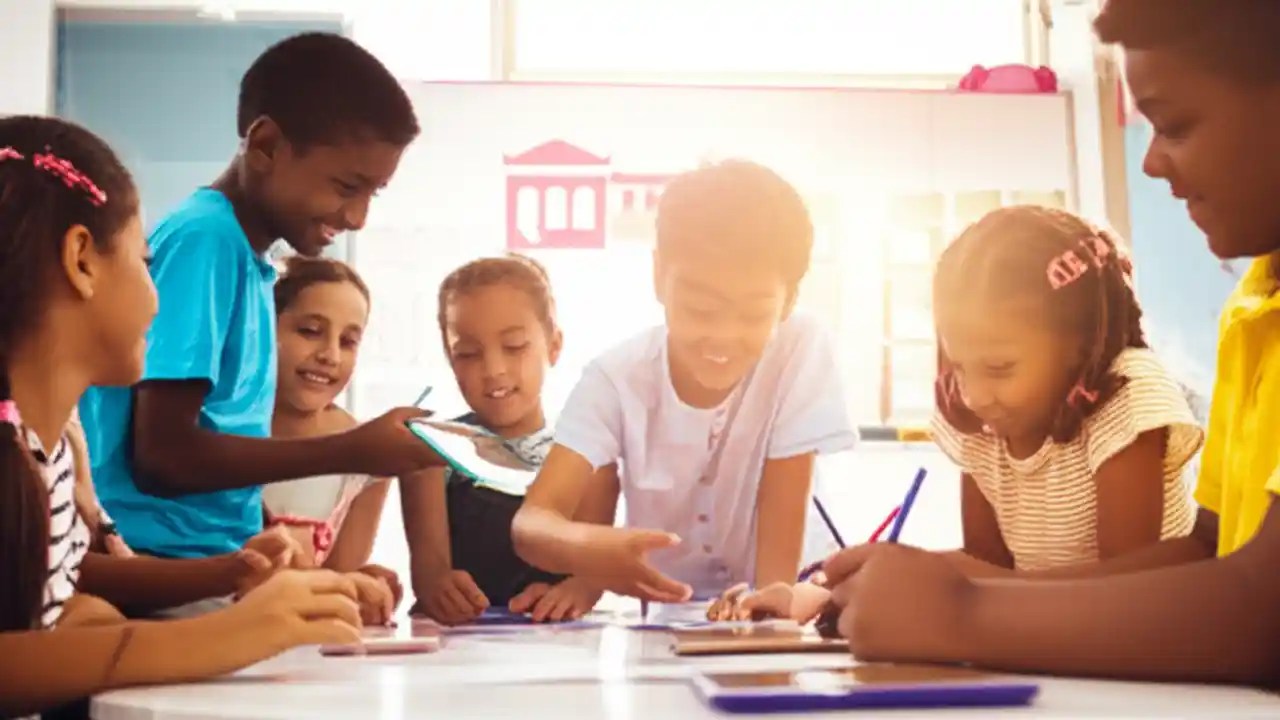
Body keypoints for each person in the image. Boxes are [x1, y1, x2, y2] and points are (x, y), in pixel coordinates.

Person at [823, 0, 1280, 686]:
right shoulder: (1255, 304)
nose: (1152, 162)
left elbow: (1260, 610)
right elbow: (1212, 550)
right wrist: (957, 582)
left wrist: (963, 610)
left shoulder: (1136, 399)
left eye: (1177, 125)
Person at [0, 114, 361, 720]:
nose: (157, 291)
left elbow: (55, 607)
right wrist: (225, 635)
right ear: (82, 260)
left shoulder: (54, 451)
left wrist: (92, 618)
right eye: (143, 260)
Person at [77, 33, 441, 616]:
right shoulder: (206, 240)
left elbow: (215, 436)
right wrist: (349, 450)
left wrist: (265, 531)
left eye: (373, 193)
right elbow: (163, 456)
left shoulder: (252, 261)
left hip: (212, 564)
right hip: (160, 574)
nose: (357, 218)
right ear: (266, 145)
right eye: (347, 187)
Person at [511, 160, 858, 614]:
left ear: (789, 300)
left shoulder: (801, 347)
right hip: (677, 611)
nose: (723, 337)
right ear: (659, 277)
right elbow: (532, 522)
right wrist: (587, 551)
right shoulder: (616, 379)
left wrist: (772, 607)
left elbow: (783, 506)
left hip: (793, 590)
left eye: (753, 315)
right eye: (700, 309)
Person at [404, 255, 616, 624]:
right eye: (468, 354)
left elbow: (591, 574)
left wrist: (575, 592)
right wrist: (440, 588)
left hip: (557, 650)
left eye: (515, 346)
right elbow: (429, 573)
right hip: (458, 651)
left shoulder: (591, 458)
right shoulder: (430, 452)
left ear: (553, 345)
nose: (494, 370)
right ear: (450, 359)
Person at [259, 255, 401, 620]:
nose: (330, 355)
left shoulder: (368, 456)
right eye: (309, 331)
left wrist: (364, 591)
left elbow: (337, 586)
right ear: (263, 326)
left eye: (349, 341)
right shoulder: (215, 437)